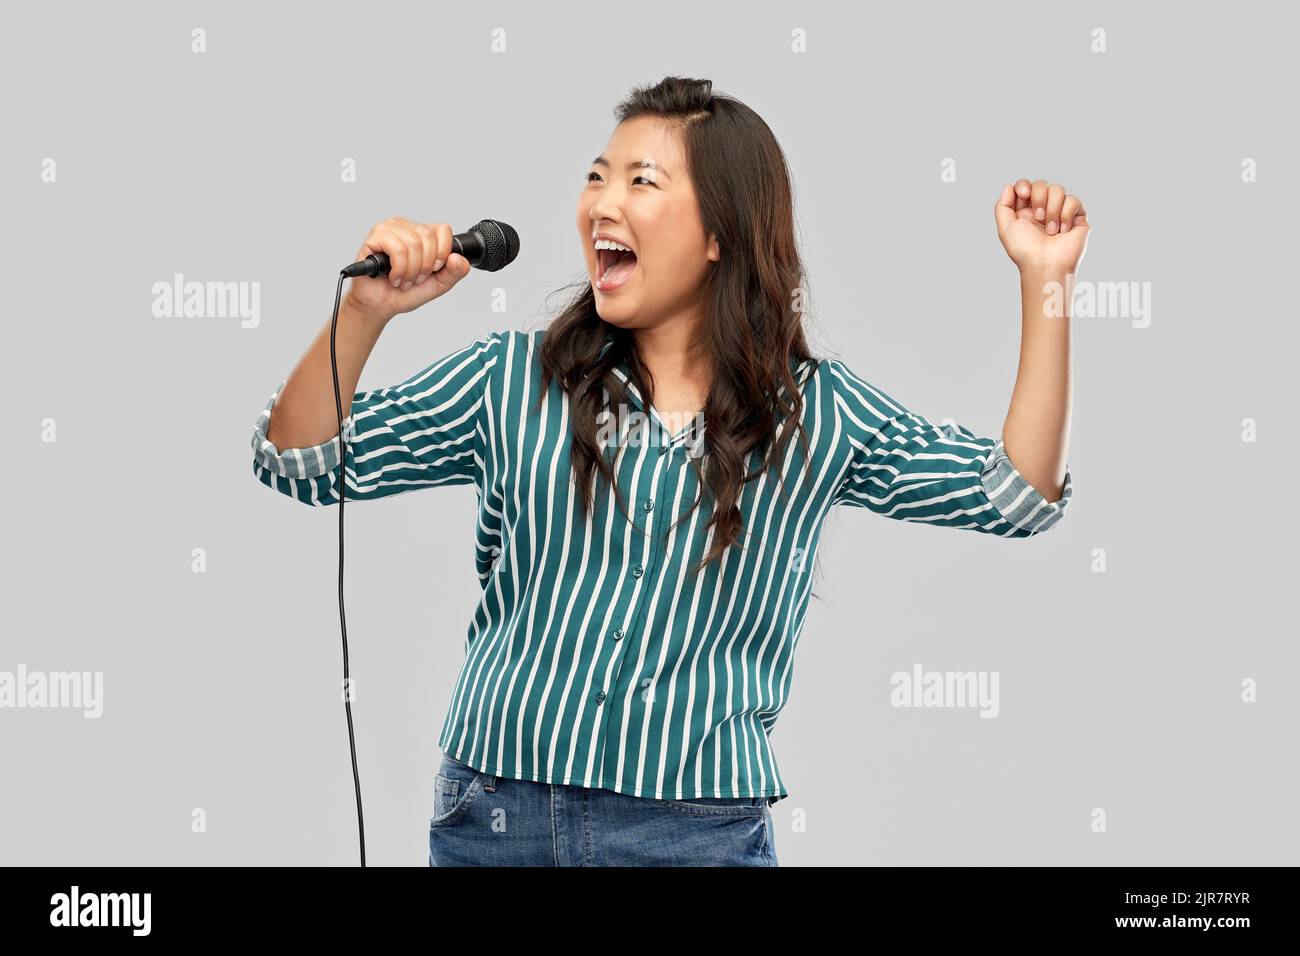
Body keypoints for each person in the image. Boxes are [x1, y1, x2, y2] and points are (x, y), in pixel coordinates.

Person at [250, 76, 1081, 867]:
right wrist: (364, 314)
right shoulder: (512, 379)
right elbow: (297, 461)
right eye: (596, 177)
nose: (602, 204)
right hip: (493, 818)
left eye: (642, 182)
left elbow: (1016, 493)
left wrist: (1046, 284)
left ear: (719, 233)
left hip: (692, 834)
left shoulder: (812, 413)